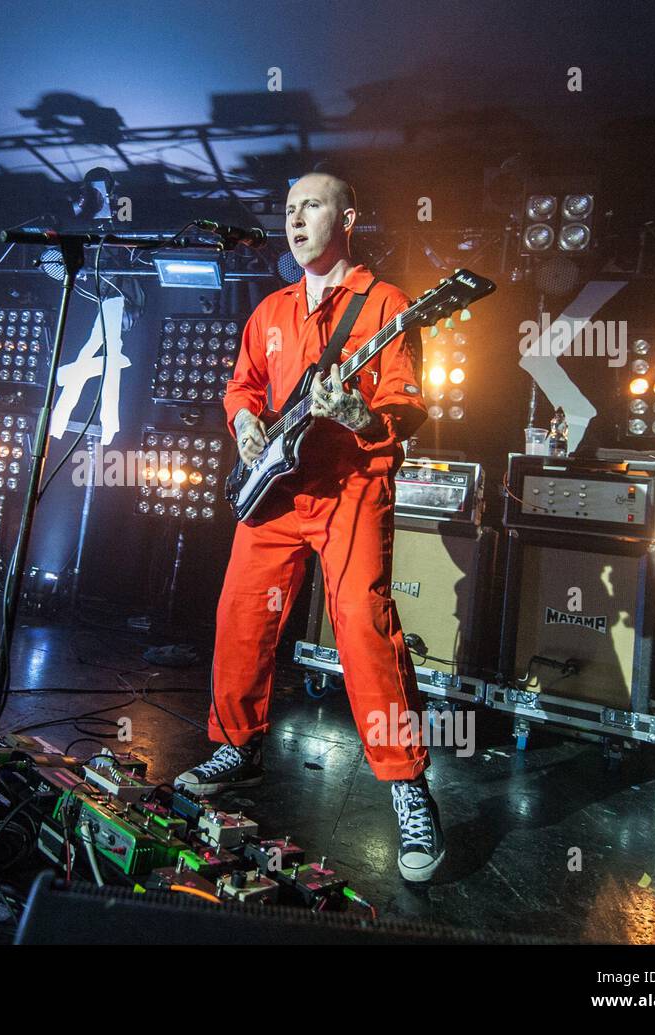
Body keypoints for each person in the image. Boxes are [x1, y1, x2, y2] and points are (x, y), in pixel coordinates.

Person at [174, 172, 446, 881]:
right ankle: (238, 745)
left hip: (352, 480)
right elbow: (243, 387)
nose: (295, 220)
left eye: (312, 206)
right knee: (240, 612)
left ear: (348, 217)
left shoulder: (385, 304)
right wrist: (242, 422)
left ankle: (407, 784)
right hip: (278, 492)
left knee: (361, 619)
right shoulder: (270, 309)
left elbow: (406, 403)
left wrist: (362, 416)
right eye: (289, 208)